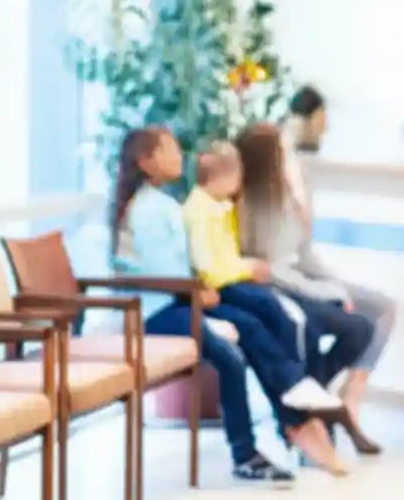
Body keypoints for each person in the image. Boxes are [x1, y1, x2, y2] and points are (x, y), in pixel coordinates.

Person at [111, 126, 352, 478]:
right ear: (145, 162)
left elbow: (184, 260)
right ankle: (249, 451)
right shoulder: (148, 209)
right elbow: (163, 272)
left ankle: (294, 410)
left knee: (253, 324)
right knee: (229, 357)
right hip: (158, 311)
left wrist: (198, 288)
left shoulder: (166, 204)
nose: (180, 156)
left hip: (184, 299)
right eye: (170, 150)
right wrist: (196, 289)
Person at [237, 122, 388, 456]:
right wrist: (323, 294)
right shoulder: (248, 204)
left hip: (300, 284)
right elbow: (271, 269)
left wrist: (334, 288)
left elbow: (303, 255)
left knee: (360, 328)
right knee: (314, 327)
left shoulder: (288, 197)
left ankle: (316, 400)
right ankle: (311, 414)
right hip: (274, 290)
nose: (290, 159)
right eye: (282, 151)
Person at [184, 142, 303, 362]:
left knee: (276, 311)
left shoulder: (219, 206)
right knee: (267, 309)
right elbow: (209, 269)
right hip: (220, 286)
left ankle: (293, 380)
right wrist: (248, 268)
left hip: (231, 279)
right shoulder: (200, 212)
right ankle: (291, 381)